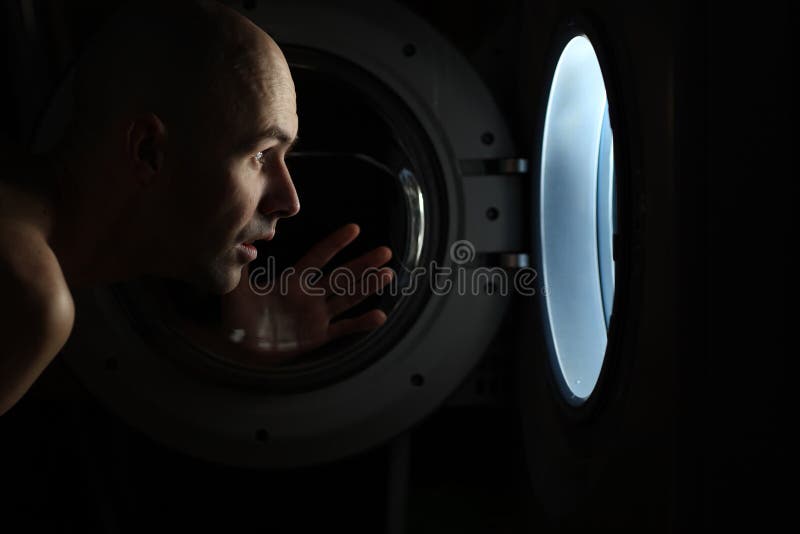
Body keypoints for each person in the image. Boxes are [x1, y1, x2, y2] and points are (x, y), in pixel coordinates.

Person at [0, 0, 394, 415]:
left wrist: (227, 350)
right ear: (148, 150)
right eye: (261, 154)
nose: (290, 202)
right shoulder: (30, 297)